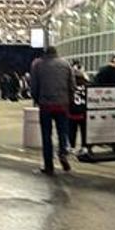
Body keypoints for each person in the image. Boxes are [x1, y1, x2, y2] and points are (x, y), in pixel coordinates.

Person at [29, 46, 74, 175]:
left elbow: (34, 86)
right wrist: (68, 101)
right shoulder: (65, 64)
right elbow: (72, 85)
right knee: (63, 132)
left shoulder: (37, 64)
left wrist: (37, 100)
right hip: (62, 105)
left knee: (46, 135)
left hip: (46, 105)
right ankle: (63, 153)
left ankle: (49, 165)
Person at [68, 63, 89, 153]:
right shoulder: (87, 84)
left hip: (72, 110)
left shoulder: (70, 84)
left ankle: (71, 146)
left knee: (72, 130)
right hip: (84, 111)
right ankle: (84, 146)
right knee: (84, 130)